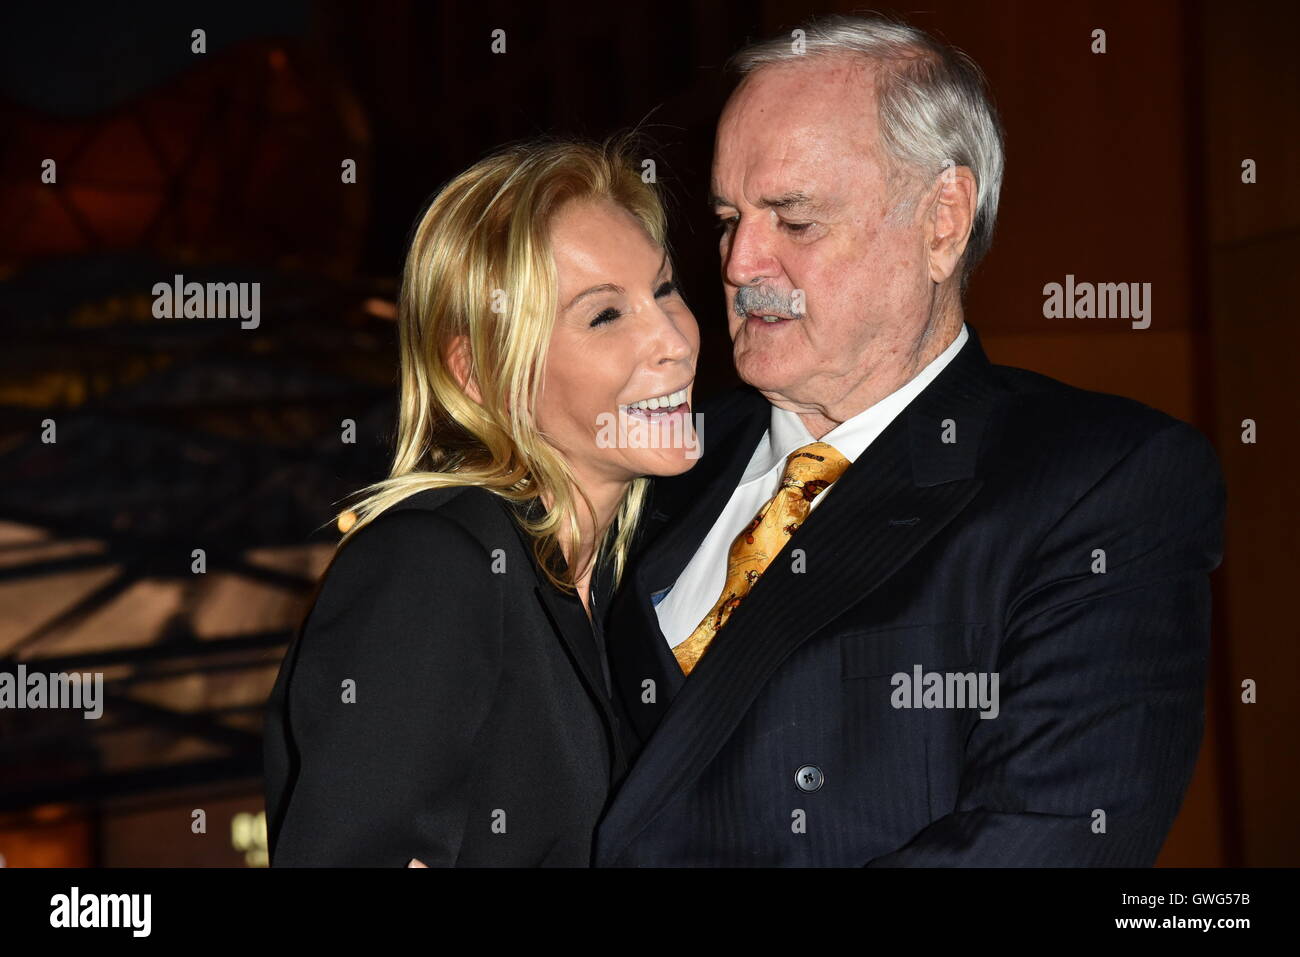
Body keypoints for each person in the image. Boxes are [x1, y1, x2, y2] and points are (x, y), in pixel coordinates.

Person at [596, 14, 1226, 866]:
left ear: (942, 220)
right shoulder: (648, 456)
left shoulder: (1101, 484)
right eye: (727, 218)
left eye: (795, 219)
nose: (740, 263)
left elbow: (1041, 842)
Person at [263, 135, 700, 866]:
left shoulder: (621, 583)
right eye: (604, 315)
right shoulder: (434, 563)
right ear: (483, 374)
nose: (673, 340)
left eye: (662, 289)